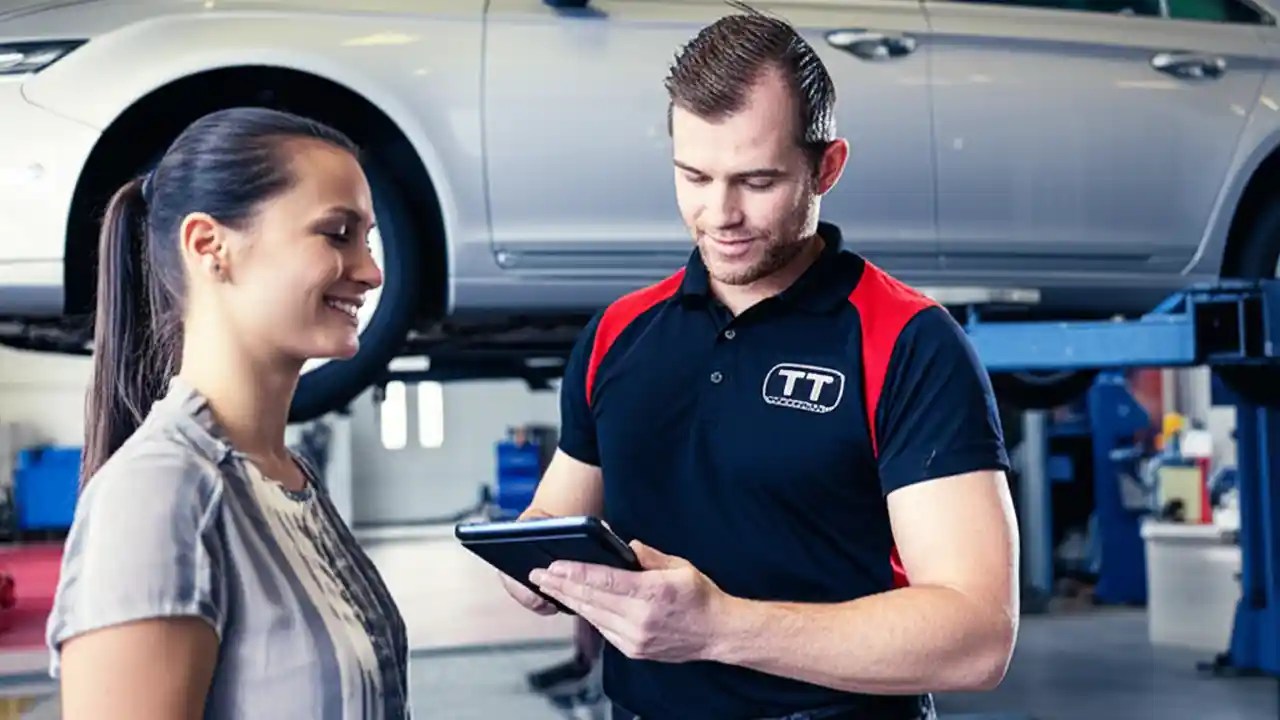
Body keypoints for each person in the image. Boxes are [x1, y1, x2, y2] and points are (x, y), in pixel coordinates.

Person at [501, 8, 1020, 720]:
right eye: (695, 176)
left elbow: (977, 638)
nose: (720, 214)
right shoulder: (619, 334)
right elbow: (556, 513)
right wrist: (534, 565)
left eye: (757, 180)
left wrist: (718, 628)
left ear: (826, 167)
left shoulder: (907, 340)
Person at [44, 107, 411, 719]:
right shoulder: (161, 492)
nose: (371, 271)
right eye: (337, 233)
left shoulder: (283, 479)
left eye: (368, 240)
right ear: (210, 246)